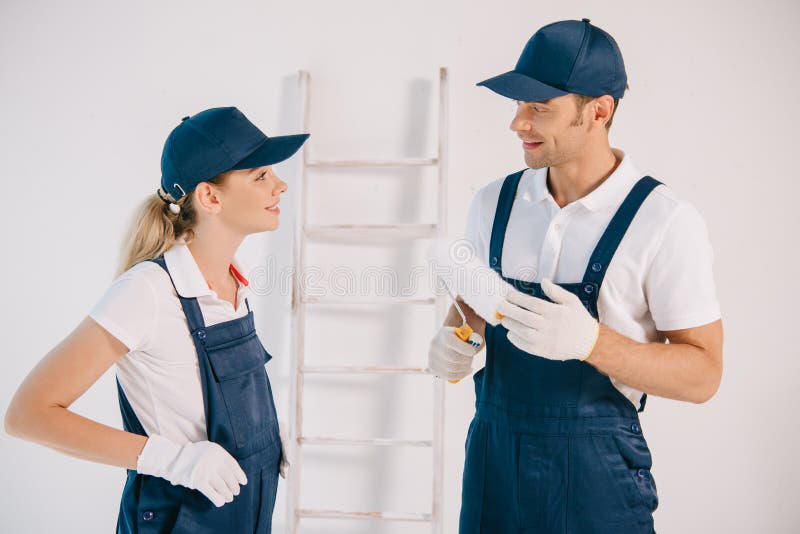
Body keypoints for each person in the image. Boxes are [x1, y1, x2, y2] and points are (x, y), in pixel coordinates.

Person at [427, 18, 724, 533]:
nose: (518, 123)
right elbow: (475, 302)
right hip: (493, 468)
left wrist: (591, 343)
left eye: (539, 108)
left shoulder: (663, 221)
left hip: (596, 480)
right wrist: (457, 336)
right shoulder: (493, 202)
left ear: (599, 111)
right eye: (517, 105)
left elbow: (703, 375)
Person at [4, 106, 309, 533]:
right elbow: (28, 415)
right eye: (261, 175)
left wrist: (265, 435)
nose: (280, 185)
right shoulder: (147, 290)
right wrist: (173, 460)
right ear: (210, 197)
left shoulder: (233, 282)